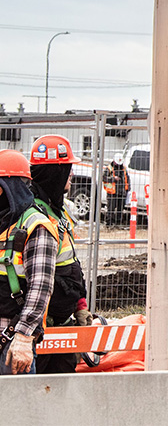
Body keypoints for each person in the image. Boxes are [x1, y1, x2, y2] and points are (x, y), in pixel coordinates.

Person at [28, 135, 91, 375]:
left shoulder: (61, 211)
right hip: (39, 329)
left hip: (63, 322)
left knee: (63, 386)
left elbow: (71, 264)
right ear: (55, 172)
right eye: (67, 168)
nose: (71, 174)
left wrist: (80, 306)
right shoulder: (33, 216)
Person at [0, 149, 60, 375]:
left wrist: (24, 337)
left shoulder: (36, 225)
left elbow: (41, 287)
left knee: (16, 399)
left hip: (12, 341)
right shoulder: (3, 222)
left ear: (9, 187)